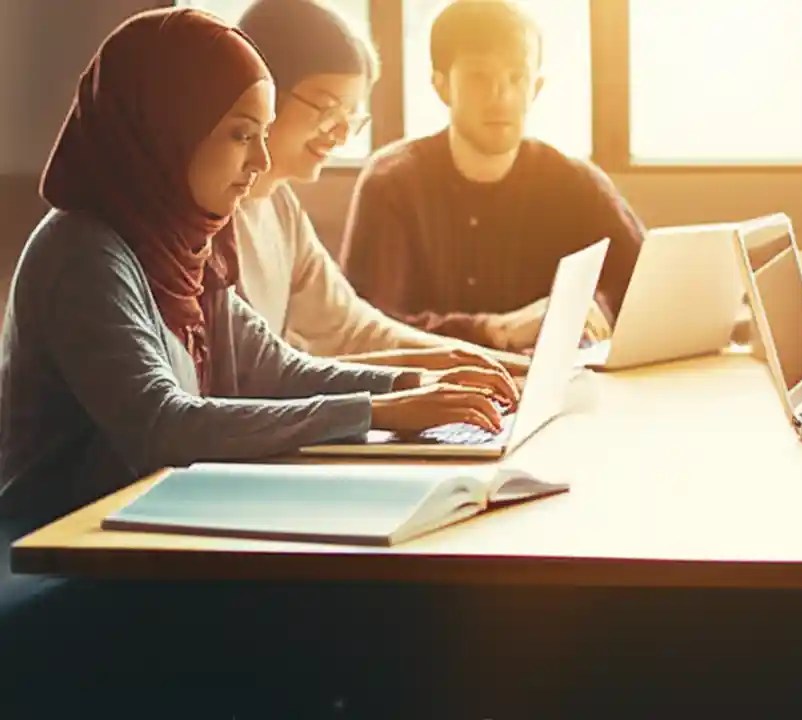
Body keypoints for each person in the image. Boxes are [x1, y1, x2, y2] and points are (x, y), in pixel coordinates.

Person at [0, 7, 515, 539]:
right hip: (51, 548)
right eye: (242, 135)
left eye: (264, 134)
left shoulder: (184, 246)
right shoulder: (84, 253)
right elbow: (163, 427)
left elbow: (274, 371)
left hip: (144, 530)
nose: (262, 160)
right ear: (170, 127)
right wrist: (378, 412)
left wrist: (415, 386)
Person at [232, 0, 526, 375]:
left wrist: (507, 368)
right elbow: (257, 379)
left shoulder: (281, 207)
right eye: (327, 109)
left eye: (350, 116)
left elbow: (356, 330)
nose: (340, 134)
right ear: (263, 94)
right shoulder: (209, 220)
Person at [339, 0, 644, 353]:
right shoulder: (391, 184)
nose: (501, 97)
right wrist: (495, 330)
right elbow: (363, 329)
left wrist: (593, 311)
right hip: (432, 383)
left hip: (563, 382)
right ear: (441, 87)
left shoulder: (578, 183)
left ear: (536, 87)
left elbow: (645, 287)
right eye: (479, 78)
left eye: (517, 78)